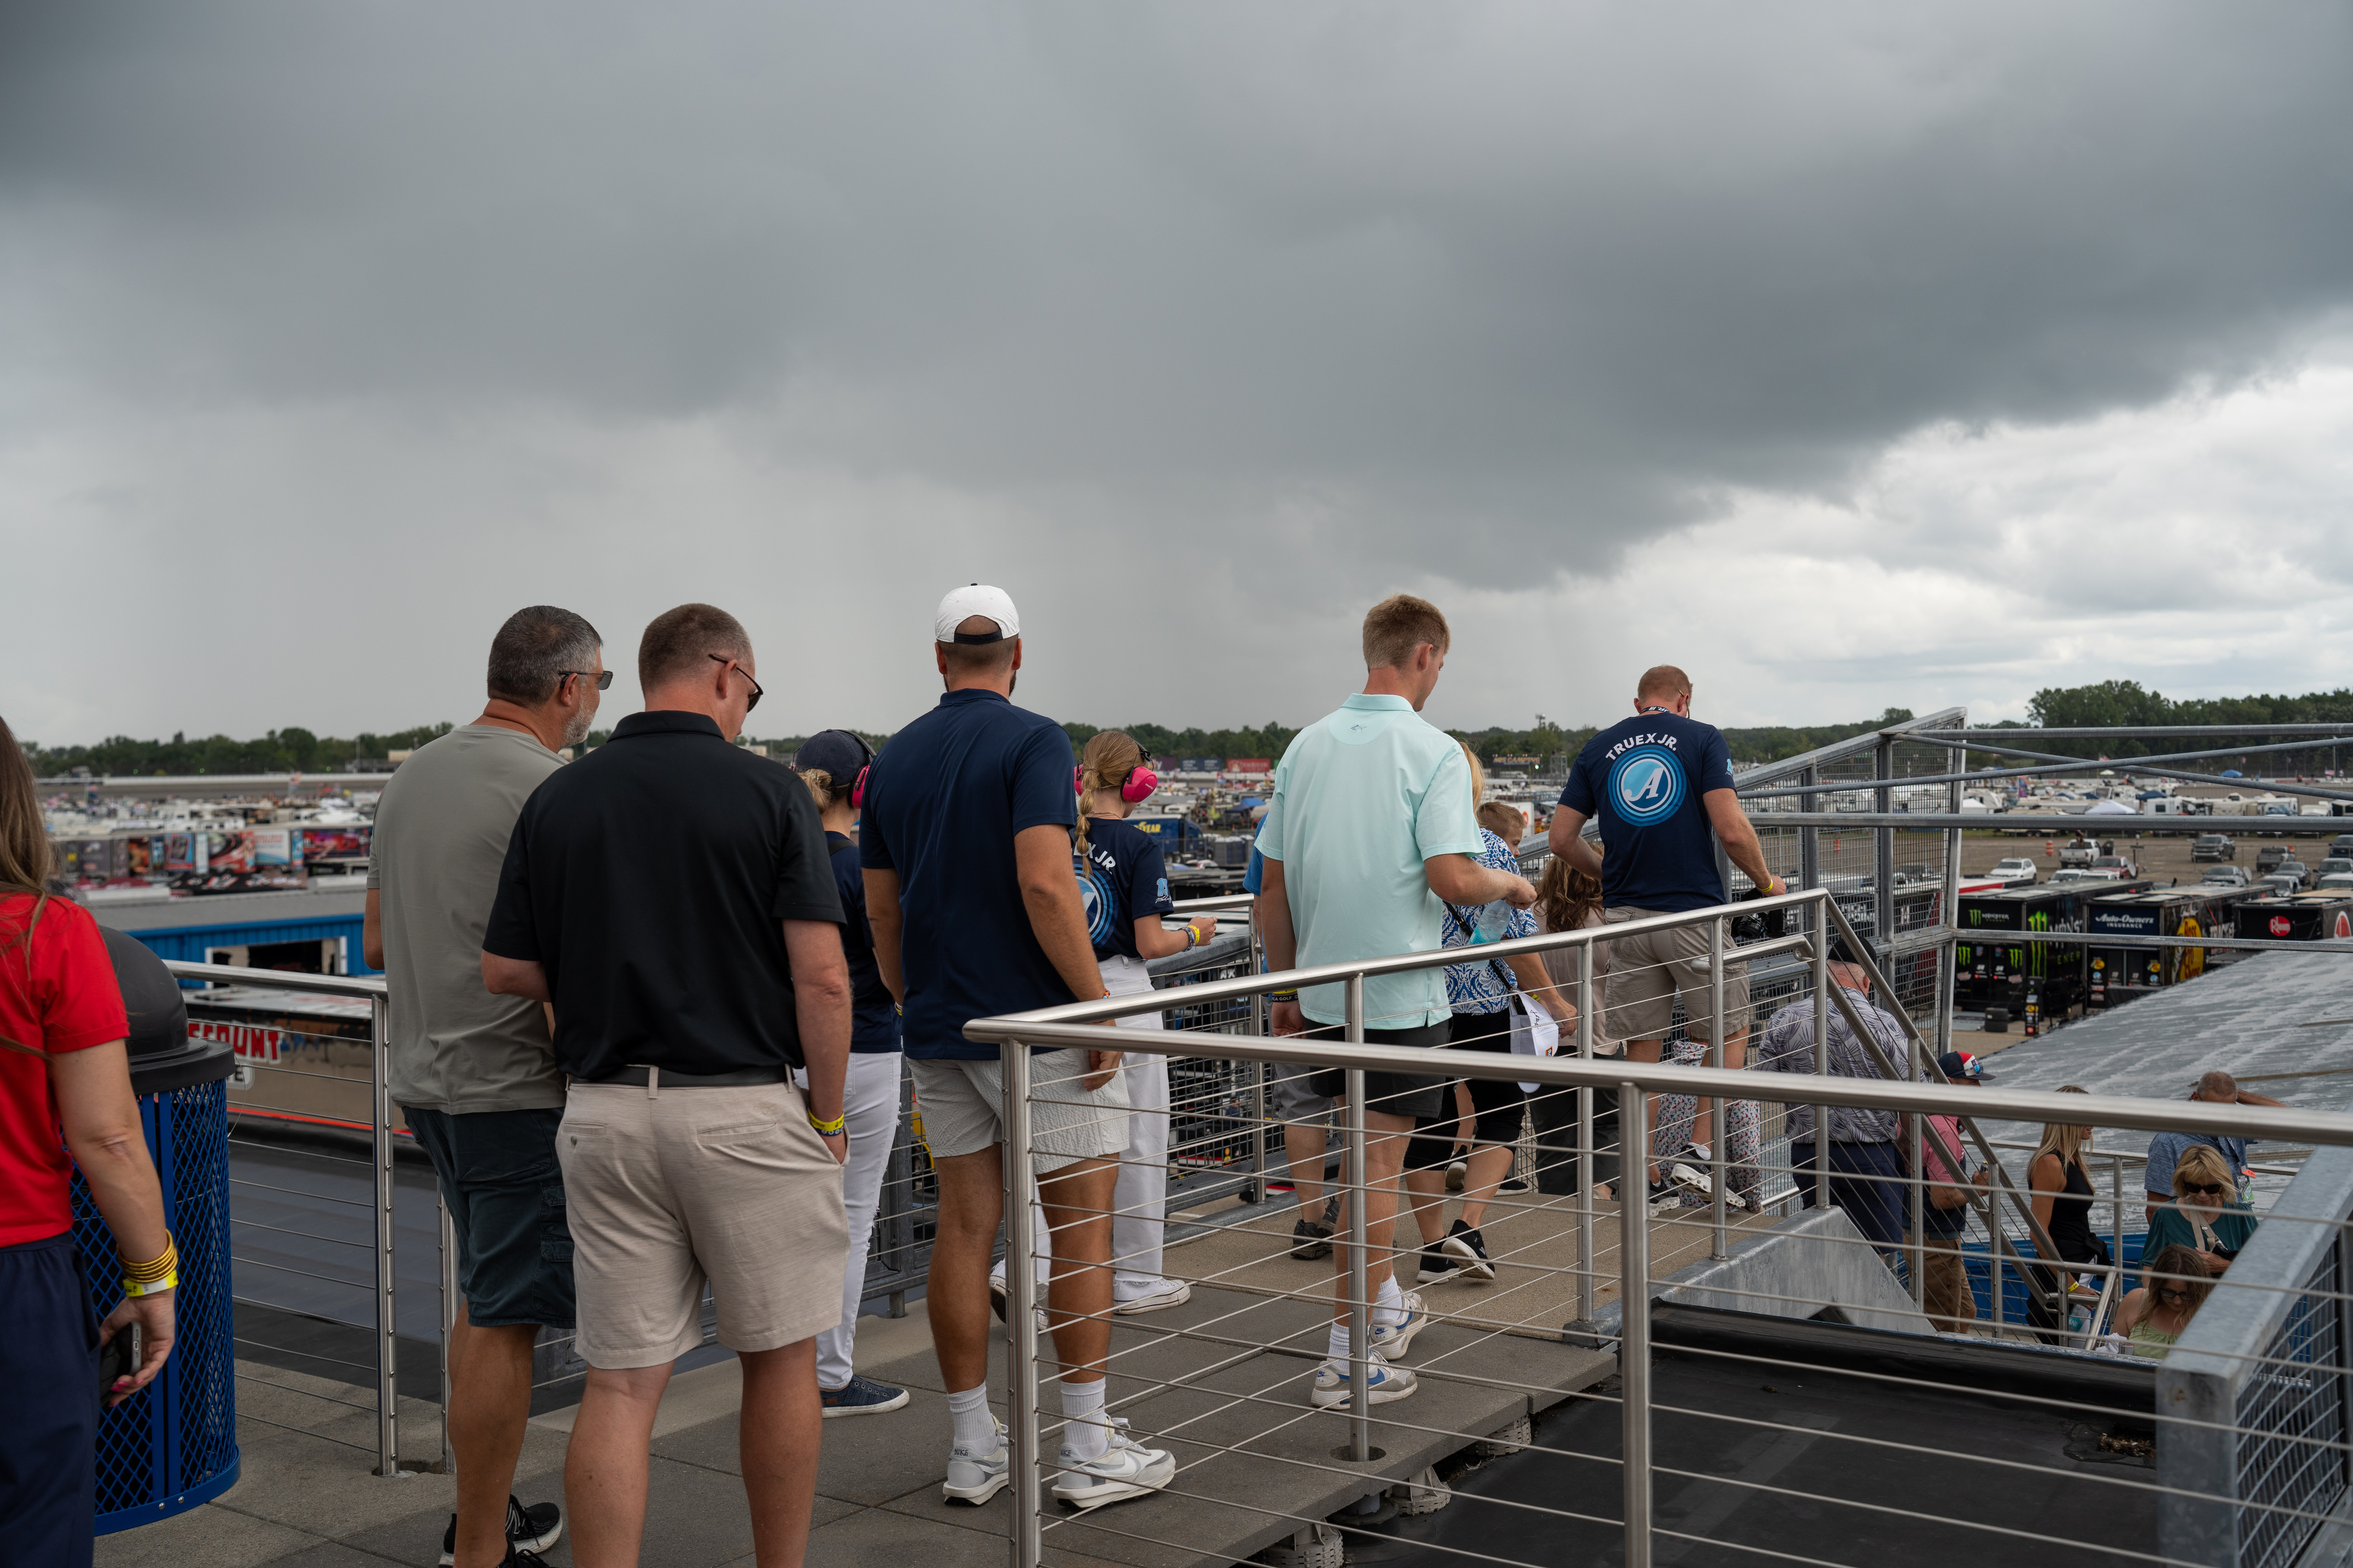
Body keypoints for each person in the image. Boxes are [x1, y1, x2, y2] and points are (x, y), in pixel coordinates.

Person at [481, 603, 852, 1568]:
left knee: (620, 1384)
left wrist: (602, 976)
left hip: (604, 1113)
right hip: (741, 1106)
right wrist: (828, 1112)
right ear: (726, 673)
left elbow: (505, 969)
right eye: (753, 689)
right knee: (778, 1360)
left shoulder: (560, 798)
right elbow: (822, 976)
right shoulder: (769, 795)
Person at [860, 584, 1175, 1513]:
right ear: (1019, 654)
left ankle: (972, 1446)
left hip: (941, 1027)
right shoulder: (1034, 739)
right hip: (1038, 1026)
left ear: (938, 658)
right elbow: (1045, 883)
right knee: (1077, 1227)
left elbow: (883, 907)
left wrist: (906, 991)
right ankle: (1082, 1449)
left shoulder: (896, 757)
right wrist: (1096, 1009)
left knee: (964, 1228)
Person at [1256, 594, 1536, 1409]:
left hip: (1317, 992)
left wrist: (1283, 984)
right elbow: (1453, 877)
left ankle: (1380, 1305)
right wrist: (1511, 882)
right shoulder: (1433, 750)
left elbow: (1269, 888)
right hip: (1400, 998)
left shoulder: (1303, 746)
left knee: (1357, 1158)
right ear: (1425, 655)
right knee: (1377, 1171)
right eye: (1441, 663)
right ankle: (1348, 1359)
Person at [365, 606, 603, 1568]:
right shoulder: (551, 787)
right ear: (569, 687)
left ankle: (481, 1518)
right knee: (508, 1317)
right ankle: (478, 1553)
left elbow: (378, 943)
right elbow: (577, 960)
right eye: (599, 686)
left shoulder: (411, 775)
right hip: (513, 1087)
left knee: (482, 1298)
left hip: (428, 1078)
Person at [0, 716, 175, 1568]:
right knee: (33, 1514)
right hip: (17, 1272)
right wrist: (153, 1276)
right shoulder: (45, 931)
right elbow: (107, 1135)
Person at [1547, 666, 1784, 1204]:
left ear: (1638, 703)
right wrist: (1767, 883)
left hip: (1627, 920)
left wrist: (1608, 876)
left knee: (1643, 1047)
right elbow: (1729, 828)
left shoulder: (1598, 748)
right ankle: (1699, 1155)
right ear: (1685, 700)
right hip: (1691, 915)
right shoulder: (1702, 738)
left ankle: (1645, 1169)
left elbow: (1561, 840)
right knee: (1727, 1031)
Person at [1403, 743, 1573, 1285]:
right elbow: (1516, 945)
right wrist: (1556, 1002)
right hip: (1480, 1002)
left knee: (1429, 1121)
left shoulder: (1404, 843)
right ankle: (1467, 1225)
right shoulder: (1494, 850)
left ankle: (1432, 1250)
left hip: (1414, 1001)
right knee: (1501, 1109)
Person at [1070, 730, 1218, 1313]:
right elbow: (1150, 942)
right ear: (1138, 783)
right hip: (1126, 997)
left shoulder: (1054, 838)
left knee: (1059, 1141)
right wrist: (1197, 933)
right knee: (1141, 1139)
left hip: (1060, 998)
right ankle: (1135, 1278)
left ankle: (1023, 1268)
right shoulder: (1137, 844)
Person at [789, 729, 912, 1418]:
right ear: (861, 789)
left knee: (797, 1222)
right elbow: (893, 955)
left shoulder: (780, 859)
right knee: (850, 1222)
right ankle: (829, 1377)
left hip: (786, 1055)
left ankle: (787, 1369)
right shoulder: (859, 866)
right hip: (862, 1048)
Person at [1756, 940, 1921, 1258]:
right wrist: (1908, 1149)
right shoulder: (1886, 1023)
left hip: (1809, 1155)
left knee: (1820, 1251)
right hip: (1872, 1157)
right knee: (1878, 1256)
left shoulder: (1785, 1018)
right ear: (1867, 981)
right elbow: (1917, 1095)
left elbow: (1763, 1083)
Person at [1248, 820, 1343, 1261]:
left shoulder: (1278, 818)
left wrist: (1280, 984)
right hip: (1356, 982)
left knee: (1301, 1104)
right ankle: (1348, 1214)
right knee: (1359, 1104)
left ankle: (1310, 1219)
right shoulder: (1367, 798)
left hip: (1291, 980)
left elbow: (1262, 902)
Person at [1526, 856, 1617, 1204]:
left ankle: (1557, 1207)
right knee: (1611, 1124)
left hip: (1546, 1041)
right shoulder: (1609, 917)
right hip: (1602, 1036)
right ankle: (1603, 1190)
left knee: (1553, 1134)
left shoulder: (1533, 914)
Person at [2025, 1082, 2113, 1338]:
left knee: (2082, 1345)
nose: (2092, 1121)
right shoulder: (2049, 1163)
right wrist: (2070, 1284)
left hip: (2077, 1266)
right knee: (2068, 1349)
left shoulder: (2072, 1158)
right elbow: (2037, 1232)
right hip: (2062, 1273)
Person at [1913, 1052, 1992, 1333]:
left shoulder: (1932, 1118)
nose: (1979, 1090)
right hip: (1937, 1242)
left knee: (1966, 1311)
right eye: (1972, 1083)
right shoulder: (1943, 1130)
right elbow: (1942, 1198)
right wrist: (1979, 1189)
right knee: (1943, 1325)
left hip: (1933, 1237)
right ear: (1949, 1083)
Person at [2143, 1071, 2285, 1220]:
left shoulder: (2233, 1126)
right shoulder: (2167, 1141)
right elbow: (2154, 1211)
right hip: (2199, 1235)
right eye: (2214, 1110)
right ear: (2196, 1098)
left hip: (2241, 1224)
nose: (2220, 1117)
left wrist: (2235, 1094)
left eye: (2227, 1110)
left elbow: (2287, 1117)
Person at [2144, 1145, 2258, 1280]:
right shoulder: (2165, 1215)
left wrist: (2224, 1266)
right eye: (2194, 1187)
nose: (2203, 1195)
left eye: (2212, 1188)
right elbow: (2149, 1266)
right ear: (2183, 1184)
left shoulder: (2241, 1215)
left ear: (2222, 1184)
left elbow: (2262, 1265)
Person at [2115, 1244, 2214, 1360]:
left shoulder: (2214, 1313)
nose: (2177, 1301)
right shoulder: (2135, 1301)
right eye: (2169, 1292)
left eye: (2186, 1294)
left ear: (2200, 1289)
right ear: (2157, 1286)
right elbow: (2111, 1353)